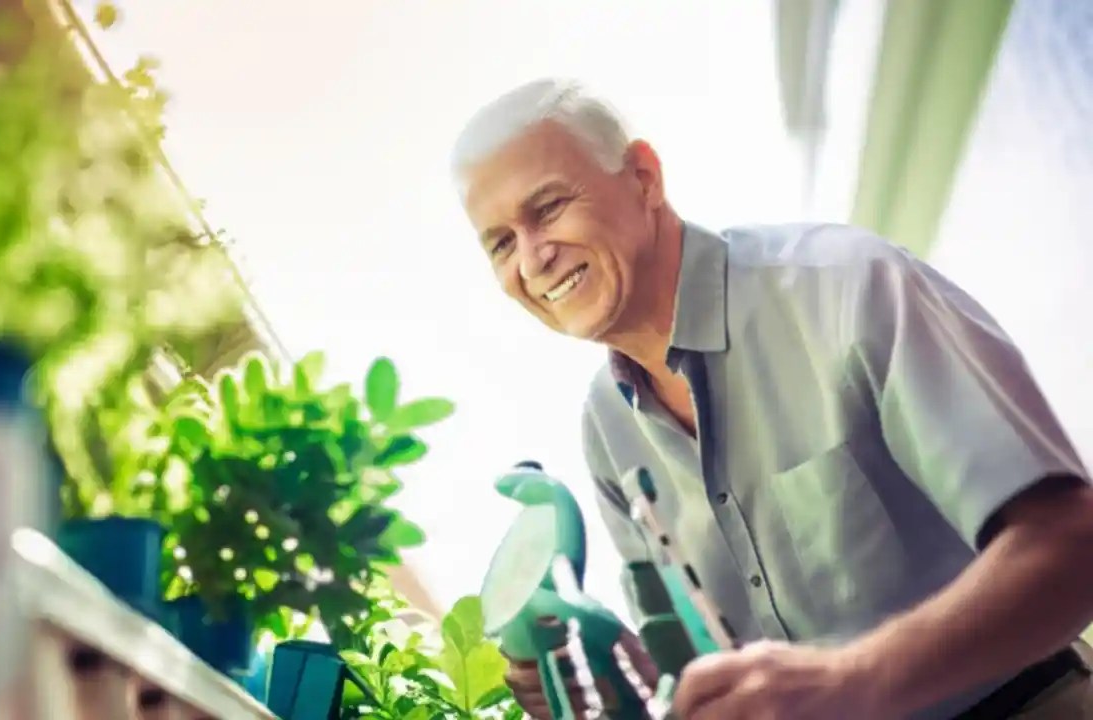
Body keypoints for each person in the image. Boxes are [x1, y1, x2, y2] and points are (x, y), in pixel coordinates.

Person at [450, 78, 1093, 719]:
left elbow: (1073, 544)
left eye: (549, 207)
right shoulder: (607, 428)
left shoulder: (844, 288)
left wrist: (850, 681)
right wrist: (612, 682)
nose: (532, 260)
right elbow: (694, 678)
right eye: (502, 243)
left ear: (644, 177)